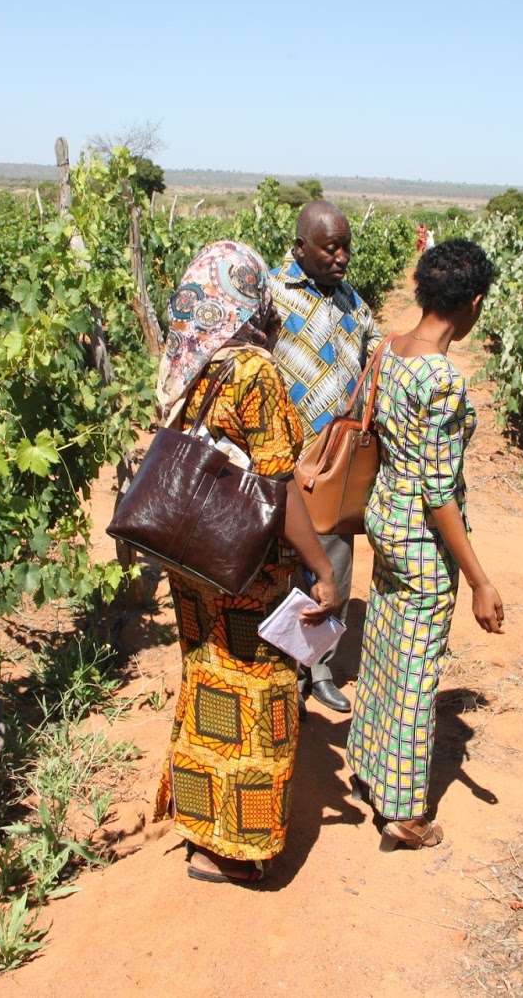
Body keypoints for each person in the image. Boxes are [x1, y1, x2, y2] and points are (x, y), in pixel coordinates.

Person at [152, 240, 340, 884]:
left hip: (193, 556)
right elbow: (279, 487)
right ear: (249, 295)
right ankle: (235, 844)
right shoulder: (253, 371)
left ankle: (199, 829)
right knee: (259, 695)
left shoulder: (187, 360)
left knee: (207, 679)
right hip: (245, 567)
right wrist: (325, 568)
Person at [345, 239, 505, 851]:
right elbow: (440, 493)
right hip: (419, 536)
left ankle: (369, 765)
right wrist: (479, 579)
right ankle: (404, 812)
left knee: (385, 646)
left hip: (385, 520)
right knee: (416, 670)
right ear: (473, 304)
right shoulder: (440, 379)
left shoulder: (387, 350)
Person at [267, 200, 382, 713]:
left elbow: (376, 352)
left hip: (334, 465)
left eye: (346, 248)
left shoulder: (353, 302)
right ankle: (283, 671)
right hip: (282, 460)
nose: (341, 258)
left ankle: (319, 669)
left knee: (334, 564)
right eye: (330, 247)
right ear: (301, 248)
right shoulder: (271, 294)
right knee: (283, 564)